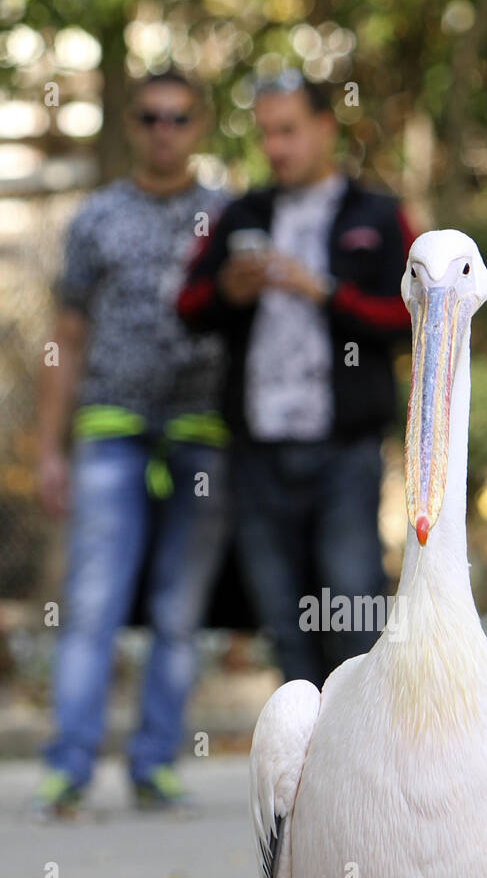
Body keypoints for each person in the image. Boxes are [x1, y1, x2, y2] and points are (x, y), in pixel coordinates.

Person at [177, 69, 415, 687]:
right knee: (284, 617)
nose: (276, 148)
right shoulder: (240, 213)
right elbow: (187, 306)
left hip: (345, 450)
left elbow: (413, 318)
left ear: (324, 128)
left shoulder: (380, 216)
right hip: (256, 450)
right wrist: (227, 292)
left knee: (352, 604)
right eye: (266, 135)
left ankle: (367, 763)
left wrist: (328, 293)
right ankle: (304, 774)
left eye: (288, 131)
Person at [34, 71, 230, 815]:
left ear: (198, 124)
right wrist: (50, 449)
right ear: (131, 123)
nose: (163, 130)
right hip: (111, 432)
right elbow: (66, 336)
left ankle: (154, 762)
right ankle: (69, 764)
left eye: (178, 117)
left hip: (200, 435)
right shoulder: (96, 218)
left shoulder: (225, 214)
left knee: (177, 614)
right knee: (92, 605)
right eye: (149, 117)